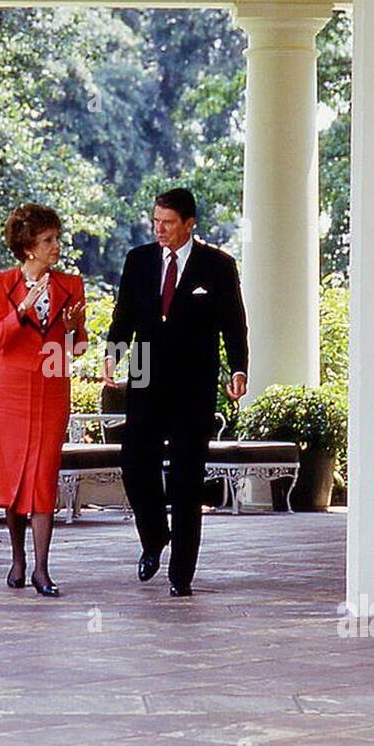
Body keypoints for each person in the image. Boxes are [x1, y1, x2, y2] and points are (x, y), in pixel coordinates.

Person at [104, 187, 249, 596]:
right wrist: (113, 355)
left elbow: (234, 324)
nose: (159, 229)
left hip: (193, 383)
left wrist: (239, 368)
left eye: (168, 223)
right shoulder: (138, 260)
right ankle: (154, 537)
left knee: (187, 478)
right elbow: (123, 316)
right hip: (145, 372)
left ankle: (181, 573)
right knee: (135, 464)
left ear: (189, 224)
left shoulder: (218, 266)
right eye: (155, 221)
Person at [0, 203, 87, 596]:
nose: (56, 246)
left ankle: (42, 569)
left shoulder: (71, 285)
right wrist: (22, 309)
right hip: (10, 394)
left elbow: (78, 349)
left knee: (43, 477)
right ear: (28, 248)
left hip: (51, 390)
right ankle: (18, 559)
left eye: (56, 238)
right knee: (14, 478)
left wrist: (74, 329)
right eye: (47, 240)